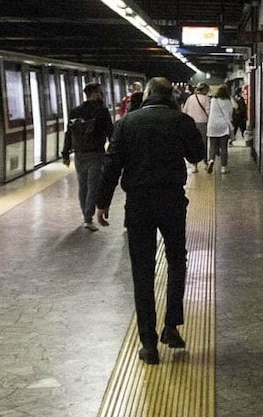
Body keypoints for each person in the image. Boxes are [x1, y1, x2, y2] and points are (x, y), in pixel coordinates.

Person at [96, 77, 205, 364]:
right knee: (177, 260)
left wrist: (102, 202)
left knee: (142, 271)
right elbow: (198, 155)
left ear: (146, 94)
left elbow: (111, 165)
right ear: (170, 96)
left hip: (139, 204)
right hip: (171, 201)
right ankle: (171, 325)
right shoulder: (181, 121)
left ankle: (148, 343)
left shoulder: (126, 123)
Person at [62, 83, 114, 230]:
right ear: (95, 93)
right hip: (96, 153)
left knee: (83, 186)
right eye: (101, 92)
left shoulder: (75, 111)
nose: (103, 95)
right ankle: (87, 218)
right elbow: (110, 132)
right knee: (93, 186)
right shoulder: (102, 111)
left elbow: (69, 133)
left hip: (79, 154)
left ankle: (85, 215)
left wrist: (65, 153)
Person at [181, 82, 213, 172]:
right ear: (204, 90)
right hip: (203, 123)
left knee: (192, 143)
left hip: (191, 124)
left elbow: (184, 111)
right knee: (203, 144)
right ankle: (205, 163)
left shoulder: (190, 98)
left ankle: (194, 166)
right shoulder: (206, 99)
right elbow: (209, 111)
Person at [206, 84, 235, 172]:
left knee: (212, 146)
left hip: (213, 125)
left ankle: (211, 160)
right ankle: (223, 167)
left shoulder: (213, 100)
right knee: (224, 147)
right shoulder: (228, 101)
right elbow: (230, 114)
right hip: (223, 125)